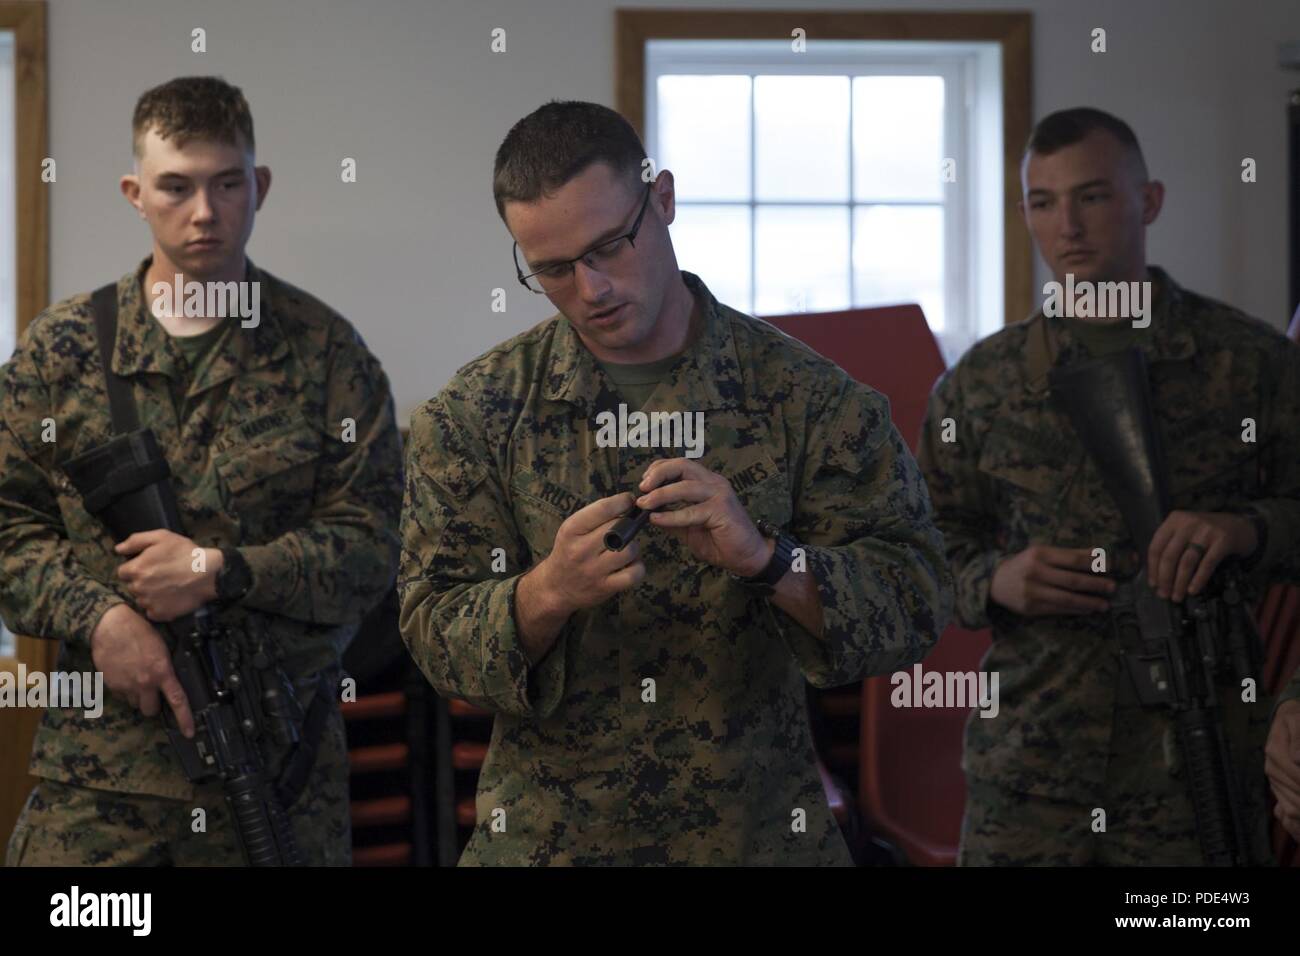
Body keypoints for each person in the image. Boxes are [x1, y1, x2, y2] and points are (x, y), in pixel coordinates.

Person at [398, 100, 954, 865]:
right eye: (553, 269)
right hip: (551, 843)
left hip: (755, 838)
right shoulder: (475, 416)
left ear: (661, 199)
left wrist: (769, 561)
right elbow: (433, 633)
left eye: (610, 247)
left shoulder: (809, 400)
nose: (592, 288)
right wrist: (545, 593)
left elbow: (916, 600)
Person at [0, 76, 404, 865]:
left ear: (259, 186)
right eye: (176, 187)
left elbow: (374, 549)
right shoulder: (60, 352)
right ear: (135, 194)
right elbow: (9, 525)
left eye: (227, 184)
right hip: (102, 785)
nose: (205, 212)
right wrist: (101, 618)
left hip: (277, 777)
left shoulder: (326, 354)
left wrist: (221, 571)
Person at [918, 107, 1300, 864]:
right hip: (1032, 770)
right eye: (1043, 202)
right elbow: (916, 552)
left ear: (1148, 201)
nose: (1068, 227)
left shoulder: (1250, 364)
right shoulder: (982, 385)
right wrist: (998, 580)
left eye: (1092, 196)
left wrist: (1248, 529)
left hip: (1198, 767)